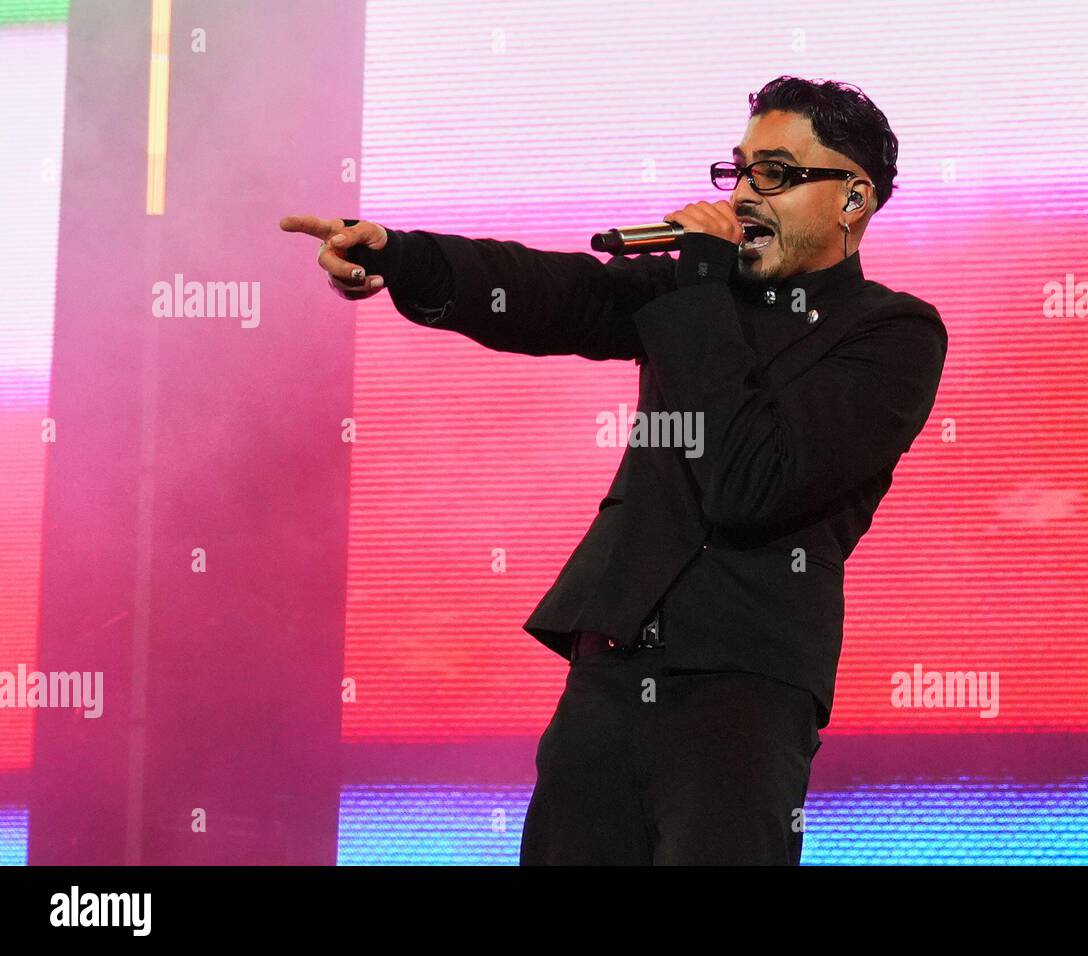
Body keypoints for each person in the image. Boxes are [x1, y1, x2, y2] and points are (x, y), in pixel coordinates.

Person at [281, 75, 948, 865]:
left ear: (852, 199)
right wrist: (404, 257)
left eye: (773, 173)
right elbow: (551, 292)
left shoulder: (891, 333)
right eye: (736, 171)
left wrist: (700, 283)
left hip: (744, 688)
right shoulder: (692, 292)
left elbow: (752, 483)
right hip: (608, 671)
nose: (741, 195)